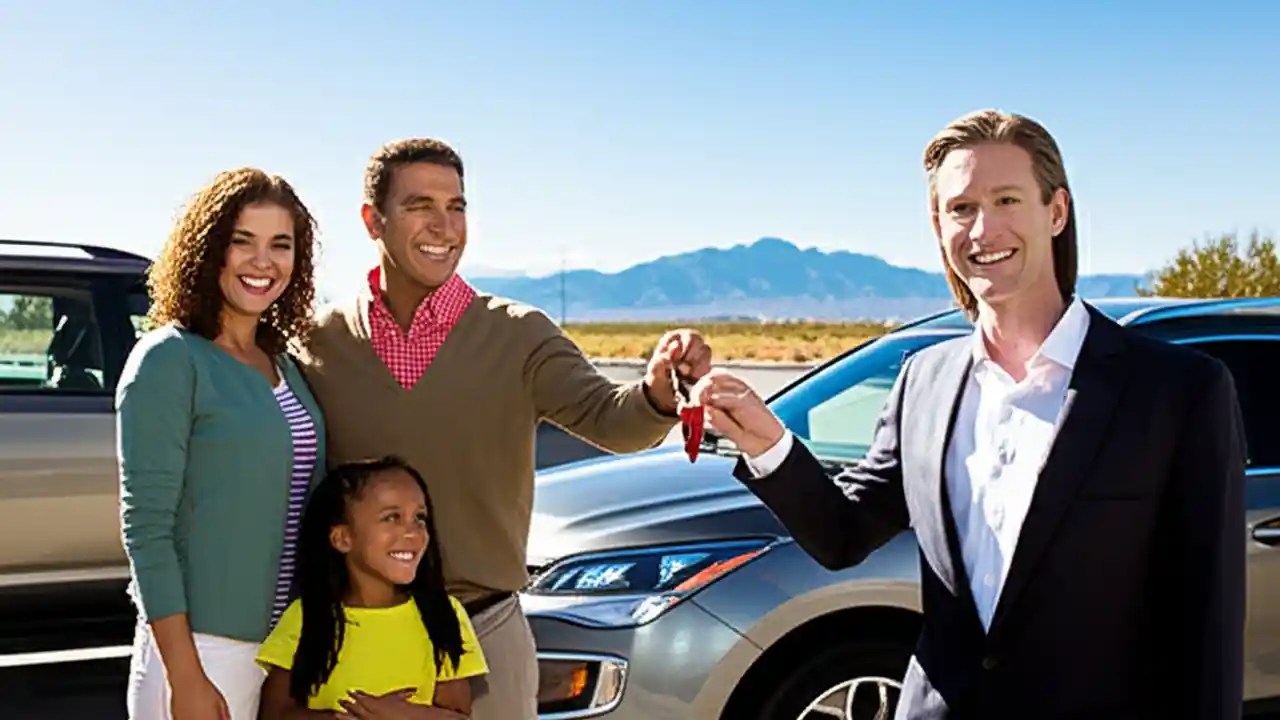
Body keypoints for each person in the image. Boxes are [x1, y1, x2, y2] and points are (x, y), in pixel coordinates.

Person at [694, 109, 1247, 719]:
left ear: (1056, 212)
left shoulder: (1179, 391)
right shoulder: (923, 382)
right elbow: (843, 534)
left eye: (1007, 200)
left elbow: (1207, 628)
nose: (983, 229)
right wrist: (767, 441)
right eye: (961, 208)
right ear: (939, 226)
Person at [293, 138, 712, 719]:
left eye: (456, 207)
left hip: (484, 635)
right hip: (355, 639)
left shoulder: (519, 335)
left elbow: (612, 420)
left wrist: (658, 392)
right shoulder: (319, 342)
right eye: (419, 205)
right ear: (373, 221)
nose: (444, 227)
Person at [116, 168, 327, 719]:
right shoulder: (169, 359)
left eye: (280, 244)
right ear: (208, 250)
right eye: (243, 241)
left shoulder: (283, 364)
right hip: (204, 651)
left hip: (282, 649)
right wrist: (185, 675)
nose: (263, 261)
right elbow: (147, 529)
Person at [256, 456, 488, 719]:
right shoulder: (306, 617)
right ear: (342, 538)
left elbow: (458, 715)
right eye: (392, 517)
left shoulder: (443, 614)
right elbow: (274, 714)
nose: (412, 532)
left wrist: (401, 715)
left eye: (419, 517)